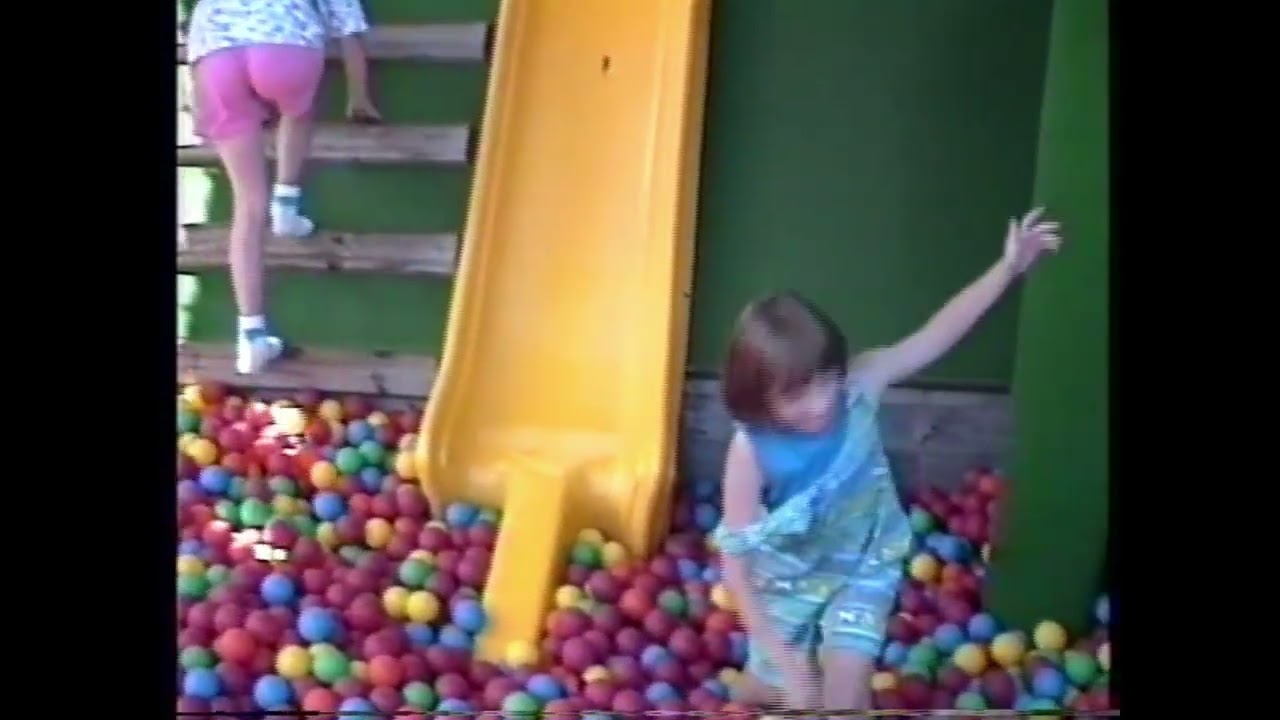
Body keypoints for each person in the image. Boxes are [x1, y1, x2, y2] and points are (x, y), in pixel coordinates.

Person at [713, 208, 1062, 714]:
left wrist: (1007, 268)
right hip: (788, 579)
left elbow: (935, 335)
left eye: (826, 379)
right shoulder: (750, 450)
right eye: (795, 394)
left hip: (864, 560)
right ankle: (754, 686)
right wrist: (785, 660)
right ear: (759, 397)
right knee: (785, 692)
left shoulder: (859, 385)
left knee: (845, 697)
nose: (820, 402)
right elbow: (737, 567)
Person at [185, 0, 383, 375]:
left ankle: (252, 334)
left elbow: (200, 23)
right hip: (283, 47)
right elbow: (349, 29)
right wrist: (359, 94)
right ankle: (286, 201)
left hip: (217, 57)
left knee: (247, 206)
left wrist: (198, 99)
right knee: (298, 111)